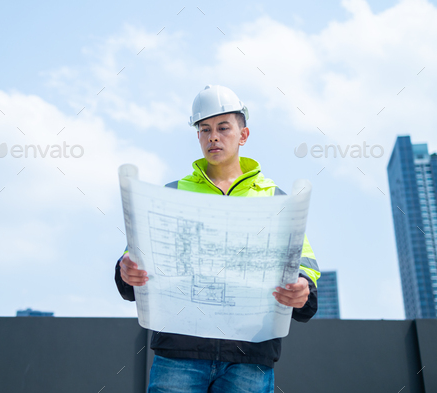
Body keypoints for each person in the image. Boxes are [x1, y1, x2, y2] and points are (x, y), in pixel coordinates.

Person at [114, 85, 320, 392]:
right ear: (197, 136)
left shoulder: (274, 200)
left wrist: (303, 285)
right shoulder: (172, 196)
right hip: (180, 351)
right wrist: (125, 268)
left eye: (223, 128)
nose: (213, 137)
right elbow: (135, 255)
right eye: (205, 129)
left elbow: (304, 262)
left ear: (244, 135)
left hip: (249, 354)